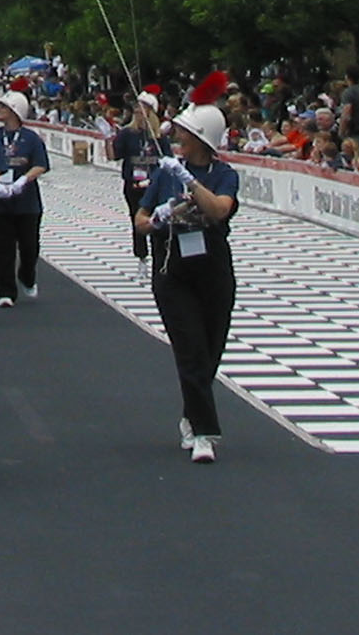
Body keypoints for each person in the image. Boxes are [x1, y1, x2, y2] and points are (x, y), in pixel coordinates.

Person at [137, 74, 241, 464]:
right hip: (172, 267)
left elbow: (218, 209)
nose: (179, 136)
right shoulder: (165, 169)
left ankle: (191, 412)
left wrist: (190, 184)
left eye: (186, 132)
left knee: (211, 347)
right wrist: (160, 216)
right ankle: (203, 431)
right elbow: (140, 219)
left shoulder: (224, 174)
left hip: (212, 266)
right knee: (190, 347)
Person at [0, 90, 49, 307]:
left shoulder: (31, 139)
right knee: (3, 247)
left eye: (4, 107)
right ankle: (5, 290)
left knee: (29, 246)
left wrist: (23, 181)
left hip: (27, 202)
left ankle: (27, 275)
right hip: (0, 202)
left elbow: (40, 164)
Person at [113, 93, 162, 262]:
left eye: (142, 109)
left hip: (154, 184)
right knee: (136, 216)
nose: (137, 112)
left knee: (157, 219)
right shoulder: (127, 133)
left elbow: (166, 158)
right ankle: (141, 256)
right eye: (137, 109)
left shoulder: (158, 136)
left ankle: (158, 254)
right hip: (133, 183)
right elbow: (115, 155)